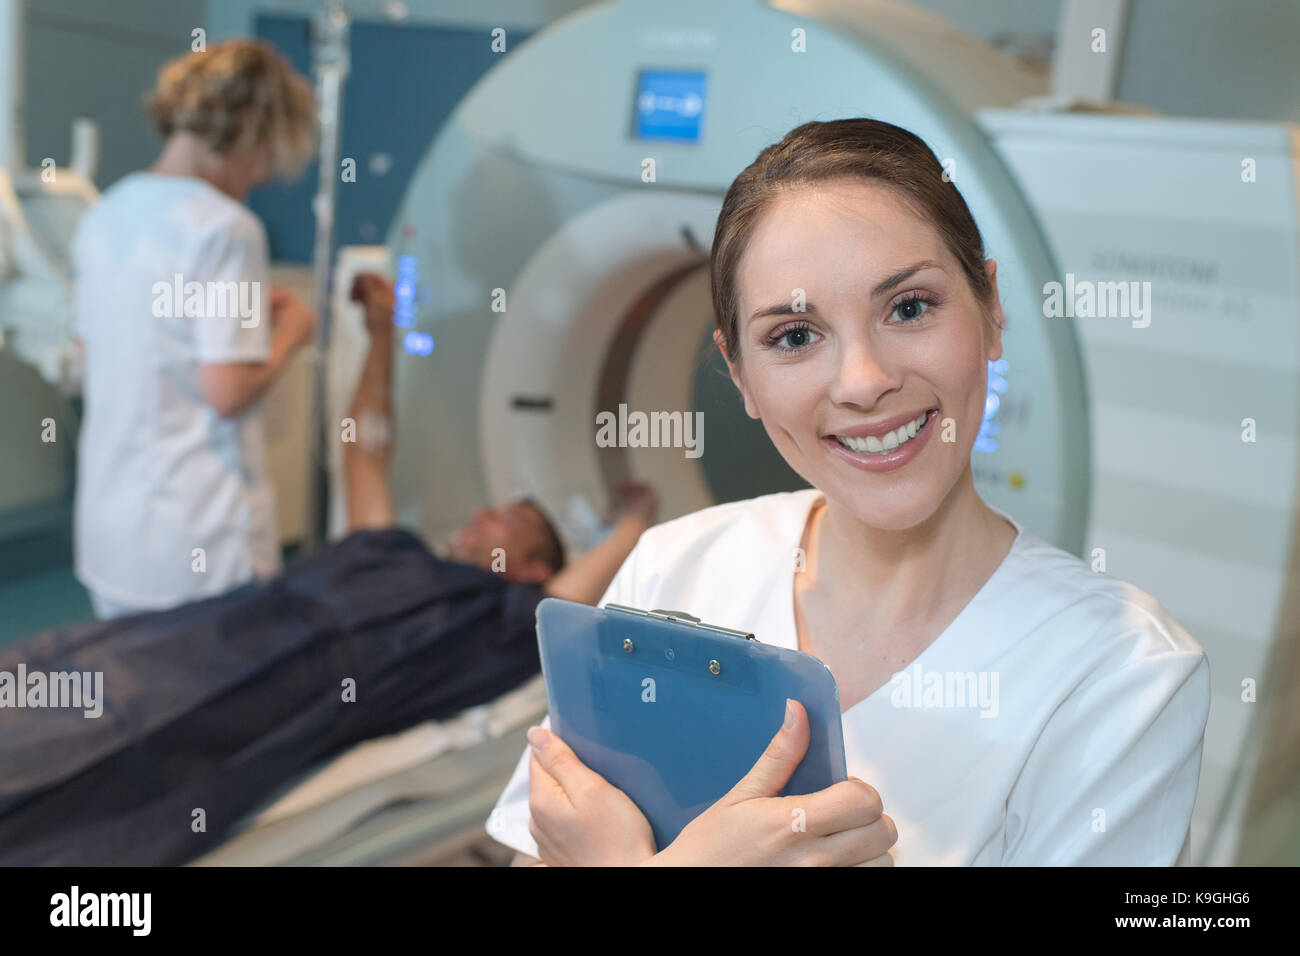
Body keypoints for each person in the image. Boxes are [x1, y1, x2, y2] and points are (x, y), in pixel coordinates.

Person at [486, 118, 1211, 867]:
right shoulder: (674, 569)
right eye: (796, 336)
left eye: (909, 308)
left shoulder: (1119, 673)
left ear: (991, 310)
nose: (865, 382)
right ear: (740, 375)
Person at [0, 275, 658, 865]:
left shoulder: (504, 619)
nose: (482, 517)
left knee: (131, 741)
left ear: (532, 568)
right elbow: (365, 451)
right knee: (74, 669)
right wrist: (381, 337)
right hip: (229, 621)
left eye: (505, 522)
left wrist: (630, 523)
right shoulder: (390, 547)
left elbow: (573, 593)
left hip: (298, 685)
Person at [73, 39, 318, 618]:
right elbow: (227, 394)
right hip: (198, 542)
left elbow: (90, 356)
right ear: (253, 132)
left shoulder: (105, 212)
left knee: (132, 695)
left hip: (113, 536)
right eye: (267, 159)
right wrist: (289, 336)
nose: (261, 178)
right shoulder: (228, 228)